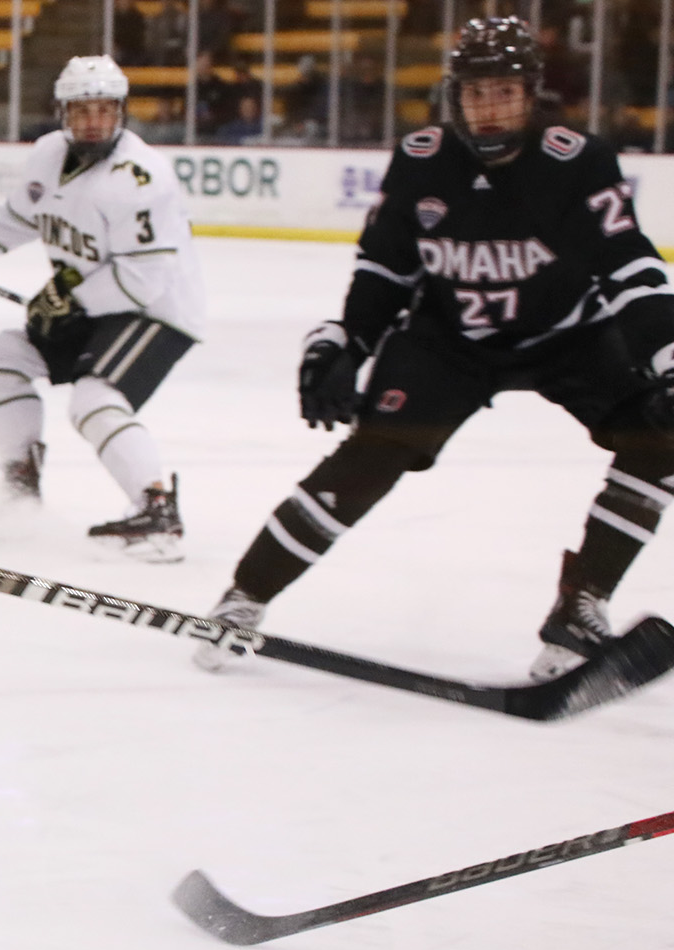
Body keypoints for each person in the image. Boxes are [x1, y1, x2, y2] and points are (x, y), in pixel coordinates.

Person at [195, 18, 674, 678]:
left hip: (570, 336)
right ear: (454, 98)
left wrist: (668, 354)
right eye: (476, 94)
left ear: (532, 94)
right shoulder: (423, 159)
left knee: (662, 436)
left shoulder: (577, 161)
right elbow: (386, 267)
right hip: (449, 340)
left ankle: (582, 602)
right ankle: (244, 598)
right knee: (371, 454)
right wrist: (349, 341)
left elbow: (629, 266)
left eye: (505, 92)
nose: (490, 109)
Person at [0, 56, 204, 561]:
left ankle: (157, 510)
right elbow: (15, 219)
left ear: (121, 111)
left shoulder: (141, 178)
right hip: (91, 306)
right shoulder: (48, 154)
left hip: (157, 309)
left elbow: (145, 279)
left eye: (105, 109)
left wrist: (69, 301)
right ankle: (21, 486)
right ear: (62, 113)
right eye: (82, 111)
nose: (94, 121)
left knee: (94, 399)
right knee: (5, 356)